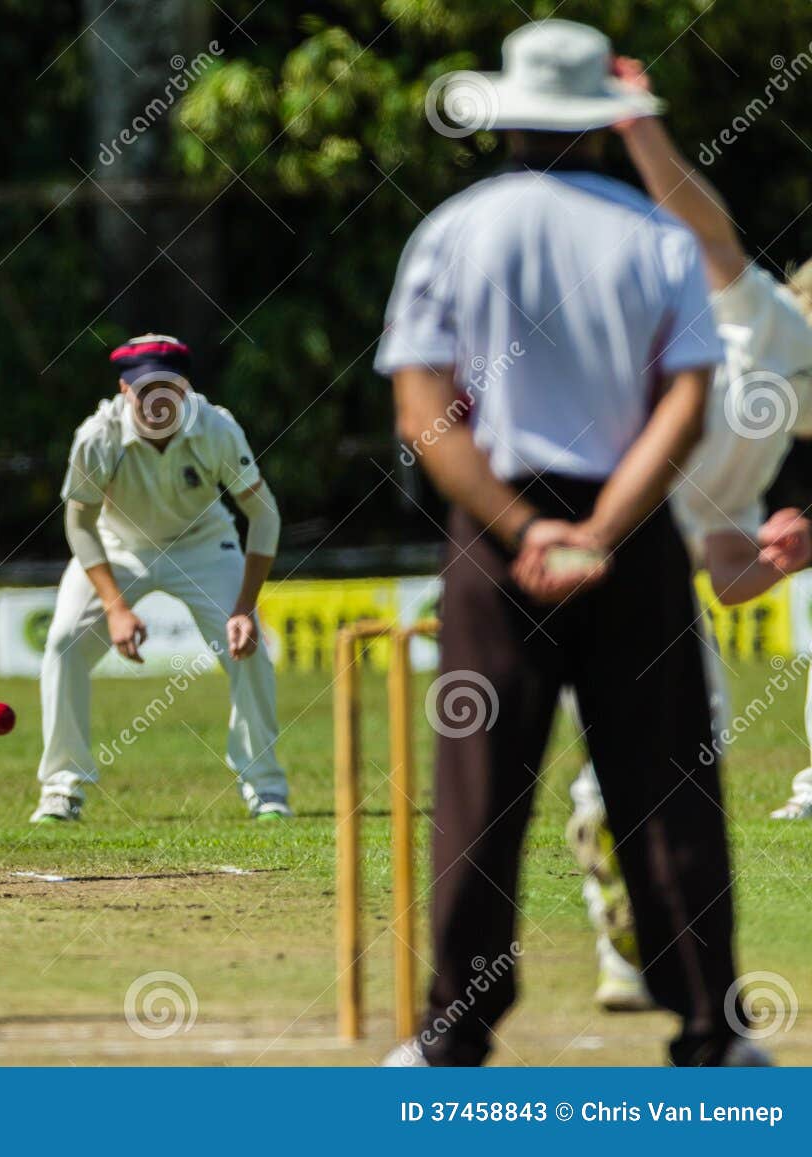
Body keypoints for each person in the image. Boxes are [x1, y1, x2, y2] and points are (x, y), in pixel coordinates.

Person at [378, 19, 762, 1065]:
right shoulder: (653, 236)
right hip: (628, 527)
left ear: (504, 120)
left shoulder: (452, 229)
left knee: (480, 783)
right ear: (598, 124)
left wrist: (519, 526)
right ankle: (709, 1027)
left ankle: (452, 1031)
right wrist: (597, 529)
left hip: (494, 524)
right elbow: (684, 401)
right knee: (664, 780)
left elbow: (424, 411)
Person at [562, 58, 812, 1013]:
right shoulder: (775, 332)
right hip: (592, 527)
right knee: (654, 749)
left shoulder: (767, 444)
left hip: (651, 560)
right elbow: (703, 219)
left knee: (669, 754)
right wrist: (638, 126)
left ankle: (627, 952)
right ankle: (612, 846)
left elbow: (728, 569)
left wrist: (785, 556)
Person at [31, 334, 287, 822]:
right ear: (124, 390)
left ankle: (266, 788)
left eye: (167, 387)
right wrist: (115, 607)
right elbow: (79, 524)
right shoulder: (97, 437)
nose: (156, 401)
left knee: (250, 649)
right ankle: (61, 789)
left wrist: (244, 607)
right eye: (144, 389)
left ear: (185, 386)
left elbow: (264, 515)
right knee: (63, 641)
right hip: (118, 546)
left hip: (204, 543)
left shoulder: (216, 428)